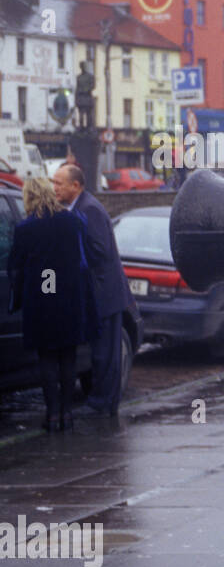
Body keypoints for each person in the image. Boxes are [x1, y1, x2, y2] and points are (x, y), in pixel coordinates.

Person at [8, 177, 99, 431]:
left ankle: (52, 415)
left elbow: (15, 266)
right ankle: (67, 415)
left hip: (41, 301)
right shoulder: (73, 221)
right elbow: (85, 257)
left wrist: (18, 295)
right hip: (69, 298)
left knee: (47, 359)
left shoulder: (25, 228)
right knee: (67, 359)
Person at [51, 163, 136, 415]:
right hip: (98, 294)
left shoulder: (89, 209)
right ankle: (101, 402)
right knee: (100, 353)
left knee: (106, 355)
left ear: (75, 186)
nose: (54, 187)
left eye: (58, 183)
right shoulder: (79, 207)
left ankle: (103, 405)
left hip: (105, 294)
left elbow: (100, 251)